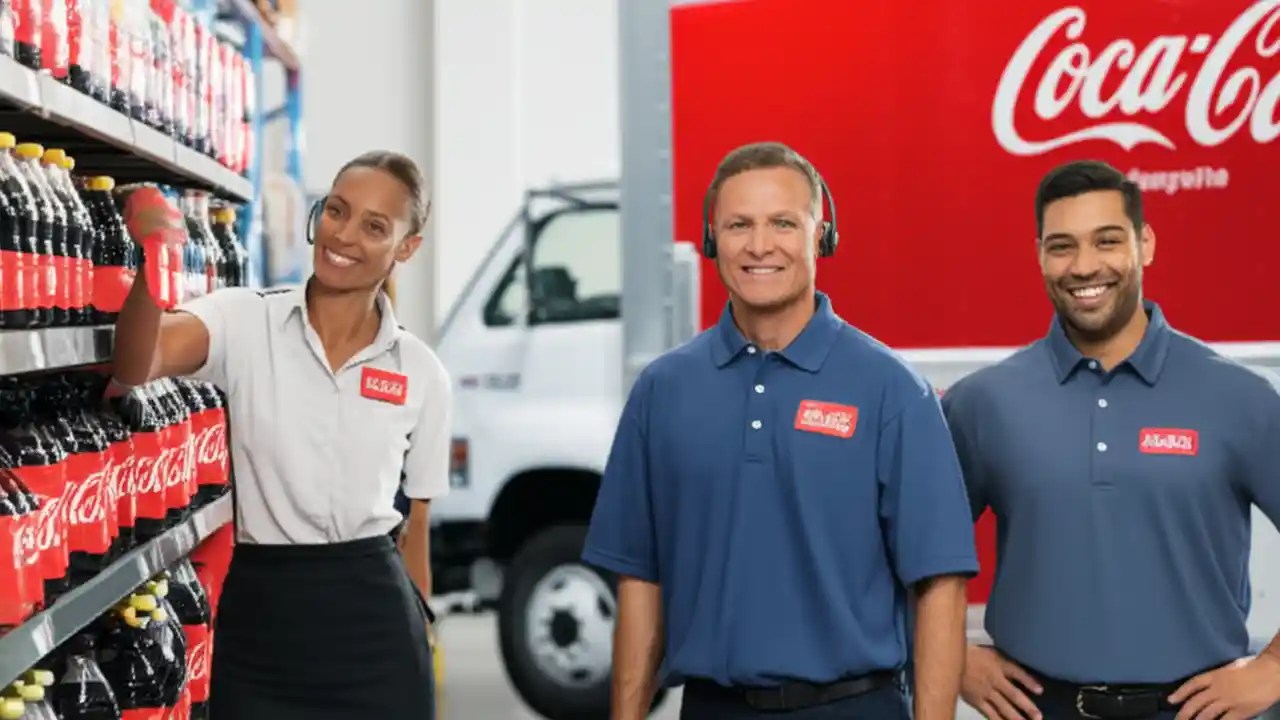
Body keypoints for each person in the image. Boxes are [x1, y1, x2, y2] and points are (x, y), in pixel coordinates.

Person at [582, 141, 979, 720]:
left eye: (783, 223)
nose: (760, 245)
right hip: (713, 708)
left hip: (856, 707)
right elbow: (640, 580)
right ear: (713, 238)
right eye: (739, 224)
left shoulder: (891, 390)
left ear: (822, 235)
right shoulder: (662, 392)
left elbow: (939, 586)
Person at [109, 150, 451, 719]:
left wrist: (425, 635)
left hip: (376, 622)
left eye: (374, 226)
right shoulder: (246, 322)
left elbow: (416, 526)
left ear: (406, 248)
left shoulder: (420, 371)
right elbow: (136, 363)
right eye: (337, 211)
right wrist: (152, 263)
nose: (343, 236)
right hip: (264, 617)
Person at [942, 159, 1280, 720]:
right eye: (1062, 246)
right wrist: (953, 655)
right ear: (1040, 255)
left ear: (1145, 244)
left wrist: (1273, 669)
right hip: (1037, 710)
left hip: (1196, 711)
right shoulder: (984, 402)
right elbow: (891, 550)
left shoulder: (1238, 397)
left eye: (1107, 241)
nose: (1084, 266)